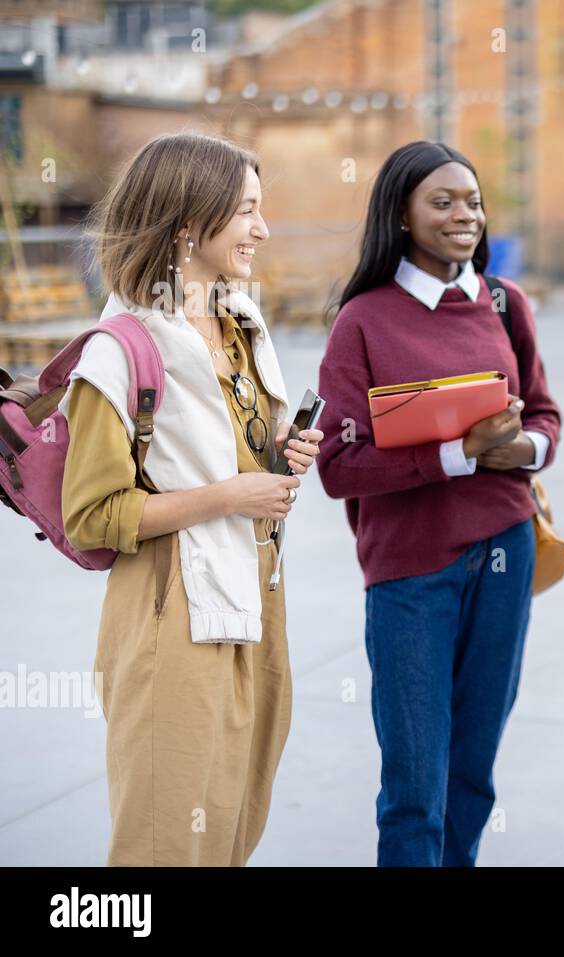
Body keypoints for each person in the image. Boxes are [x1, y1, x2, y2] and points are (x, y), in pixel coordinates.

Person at [62, 131, 323, 866]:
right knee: (162, 844)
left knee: (233, 832)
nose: (262, 230)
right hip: (168, 613)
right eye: (245, 211)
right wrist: (231, 494)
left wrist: (280, 451)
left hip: (257, 598)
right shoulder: (118, 352)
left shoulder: (243, 325)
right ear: (186, 220)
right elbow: (94, 514)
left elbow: (238, 453)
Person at [315, 142, 561, 867]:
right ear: (401, 213)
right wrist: (461, 454)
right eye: (443, 201)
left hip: (507, 551)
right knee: (415, 787)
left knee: (471, 775)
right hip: (410, 573)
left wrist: (521, 450)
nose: (465, 216)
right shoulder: (362, 321)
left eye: (474, 201)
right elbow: (335, 465)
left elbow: (546, 416)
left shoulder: (503, 302)